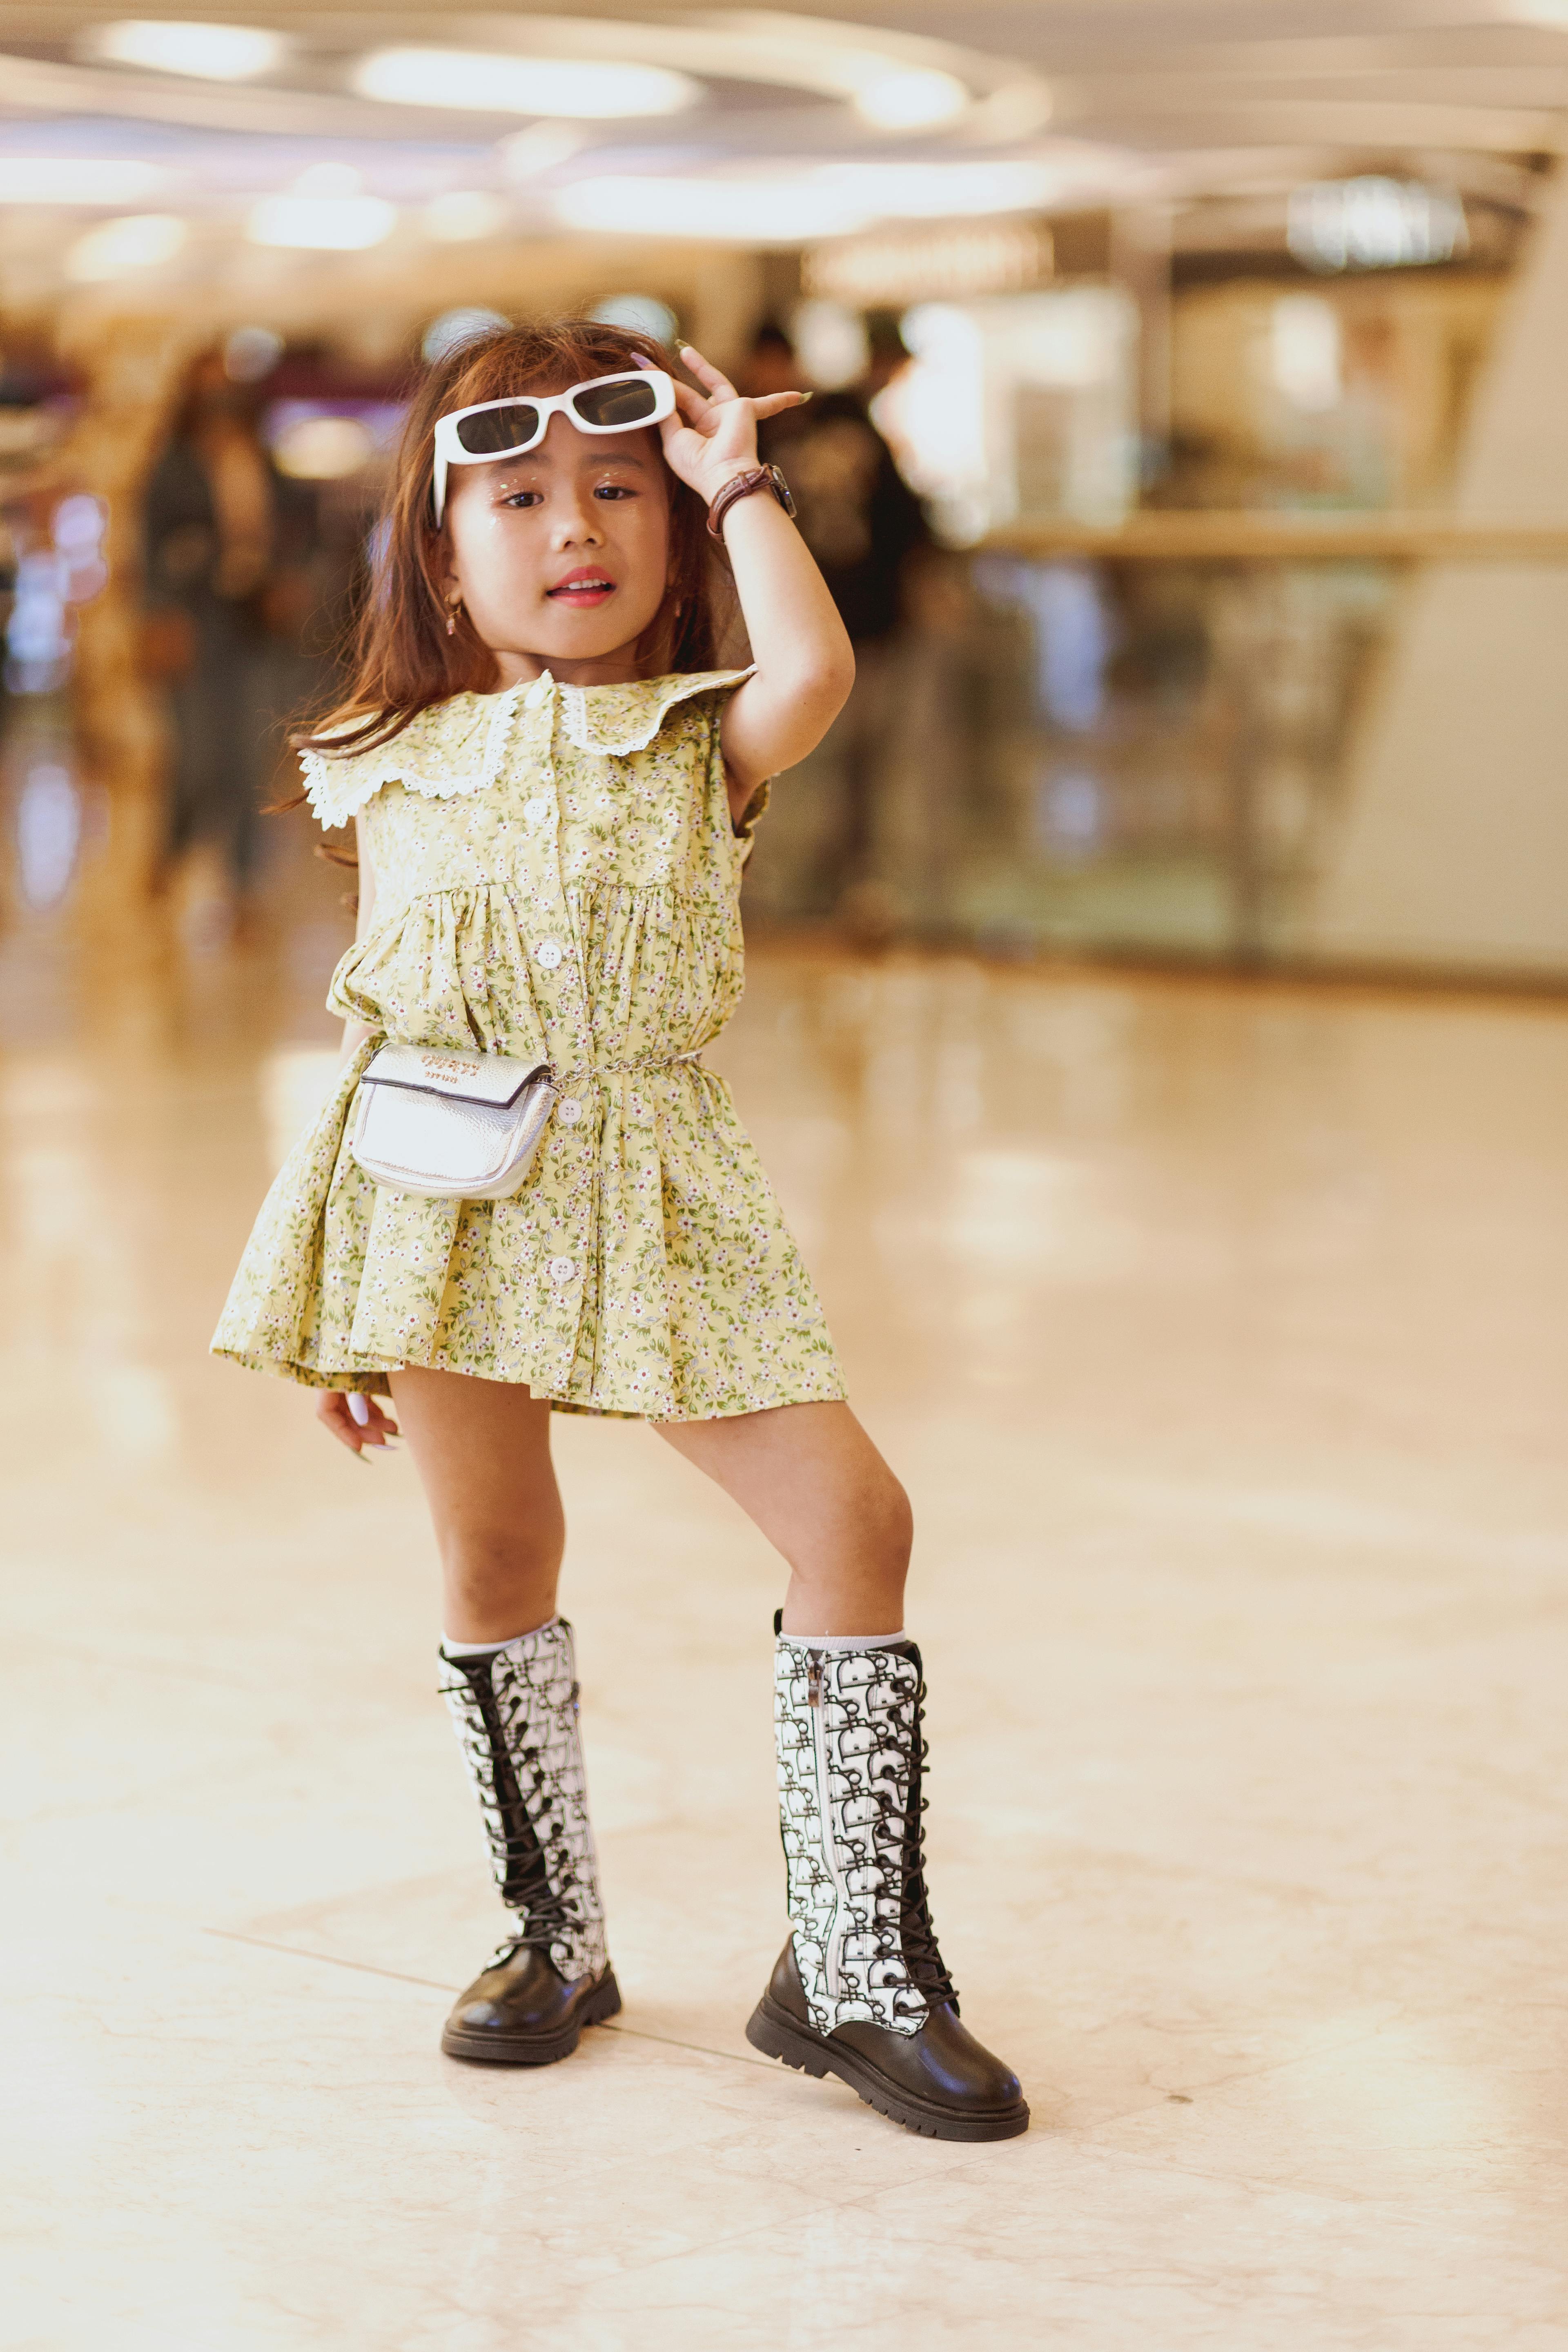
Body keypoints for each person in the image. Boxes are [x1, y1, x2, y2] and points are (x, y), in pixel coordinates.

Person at [211, 320, 1026, 2142]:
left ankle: (850, 1969)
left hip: (656, 1186)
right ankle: (546, 1934)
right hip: (437, 1194)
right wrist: (337, 1304)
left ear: (676, 540)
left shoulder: (698, 740)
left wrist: (741, 474)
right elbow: (373, 1028)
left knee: (856, 1521)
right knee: (493, 1561)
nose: (573, 528)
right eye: (517, 499)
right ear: (440, 549)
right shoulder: (383, 752)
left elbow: (814, 659)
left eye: (618, 494)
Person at [751, 318, 930, 929]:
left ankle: (834, 881)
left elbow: (904, 521)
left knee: (848, 760)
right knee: (826, 761)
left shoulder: (799, 432)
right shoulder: (756, 439)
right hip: (811, 630)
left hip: (852, 624)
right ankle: (816, 881)